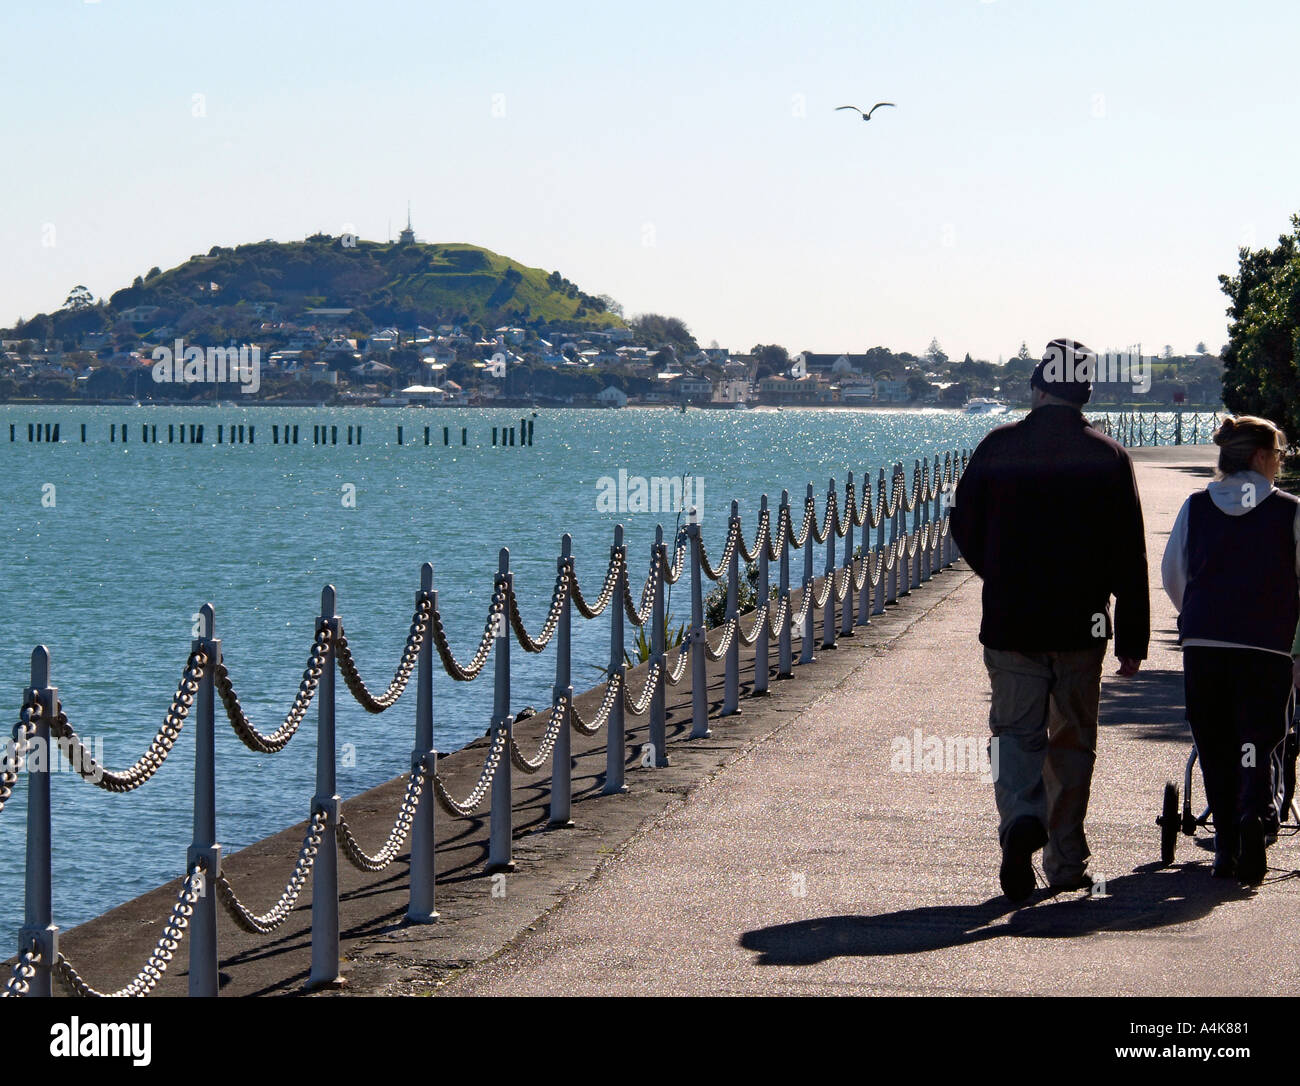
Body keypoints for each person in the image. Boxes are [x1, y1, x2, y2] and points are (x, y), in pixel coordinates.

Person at [951, 338, 1149, 902]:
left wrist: (1000, 572)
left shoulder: (997, 447)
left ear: (1037, 387)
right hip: (1082, 625)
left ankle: (1019, 820)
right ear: (1084, 393)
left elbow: (964, 524)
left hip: (1013, 620)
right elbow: (1128, 554)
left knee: (1014, 734)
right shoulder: (1108, 457)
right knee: (1072, 740)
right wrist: (1131, 637)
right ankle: (1064, 862)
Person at [1160, 415, 1299, 884]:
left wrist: (1198, 616)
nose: (1279, 463)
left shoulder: (1196, 507)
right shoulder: (1290, 511)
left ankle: (1224, 841)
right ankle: (1254, 818)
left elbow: (1174, 574)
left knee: (1214, 739)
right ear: (1261, 457)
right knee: (1258, 737)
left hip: (1206, 642)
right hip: (1267, 644)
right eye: (1278, 455)